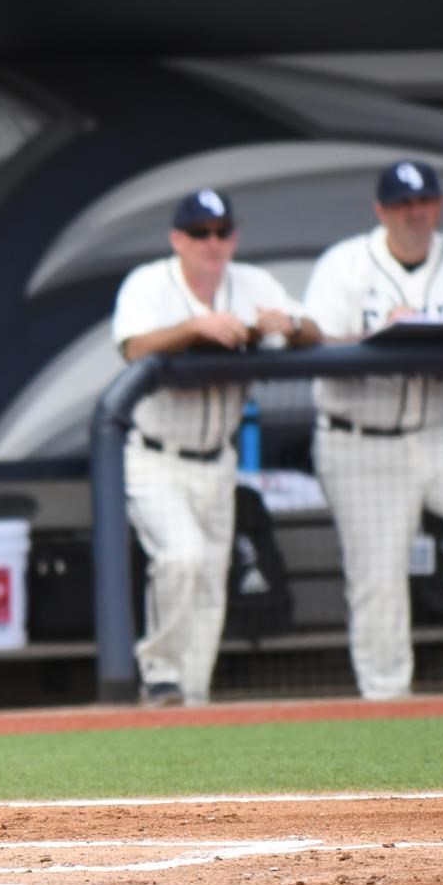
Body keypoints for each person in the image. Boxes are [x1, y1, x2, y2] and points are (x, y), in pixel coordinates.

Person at [112, 189, 320, 707]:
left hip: (216, 458)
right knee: (181, 557)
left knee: (209, 582)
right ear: (178, 239)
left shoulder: (252, 283)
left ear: (234, 236)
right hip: (156, 456)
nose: (213, 242)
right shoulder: (149, 283)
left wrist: (289, 326)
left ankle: (193, 700)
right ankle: (160, 675)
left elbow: (315, 332)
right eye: (201, 233)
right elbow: (133, 347)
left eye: (222, 231)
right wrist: (193, 328)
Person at [303, 160, 443, 700]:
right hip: (362, 436)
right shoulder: (345, 265)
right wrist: (377, 336)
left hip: (435, 428)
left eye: (424, 201)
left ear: (439, 205)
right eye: (403, 204)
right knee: (379, 583)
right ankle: (386, 705)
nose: (416, 212)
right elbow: (313, 344)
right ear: (381, 211)